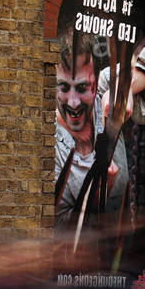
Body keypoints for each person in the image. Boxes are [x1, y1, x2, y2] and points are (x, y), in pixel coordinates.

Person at [53, 30, 128, 232]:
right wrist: (98, 192)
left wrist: (123, 91)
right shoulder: (49, 146)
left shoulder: (102, 98)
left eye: (82, 87)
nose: (73, 102)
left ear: (95, 83)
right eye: (64, 87)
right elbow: (60, 232)